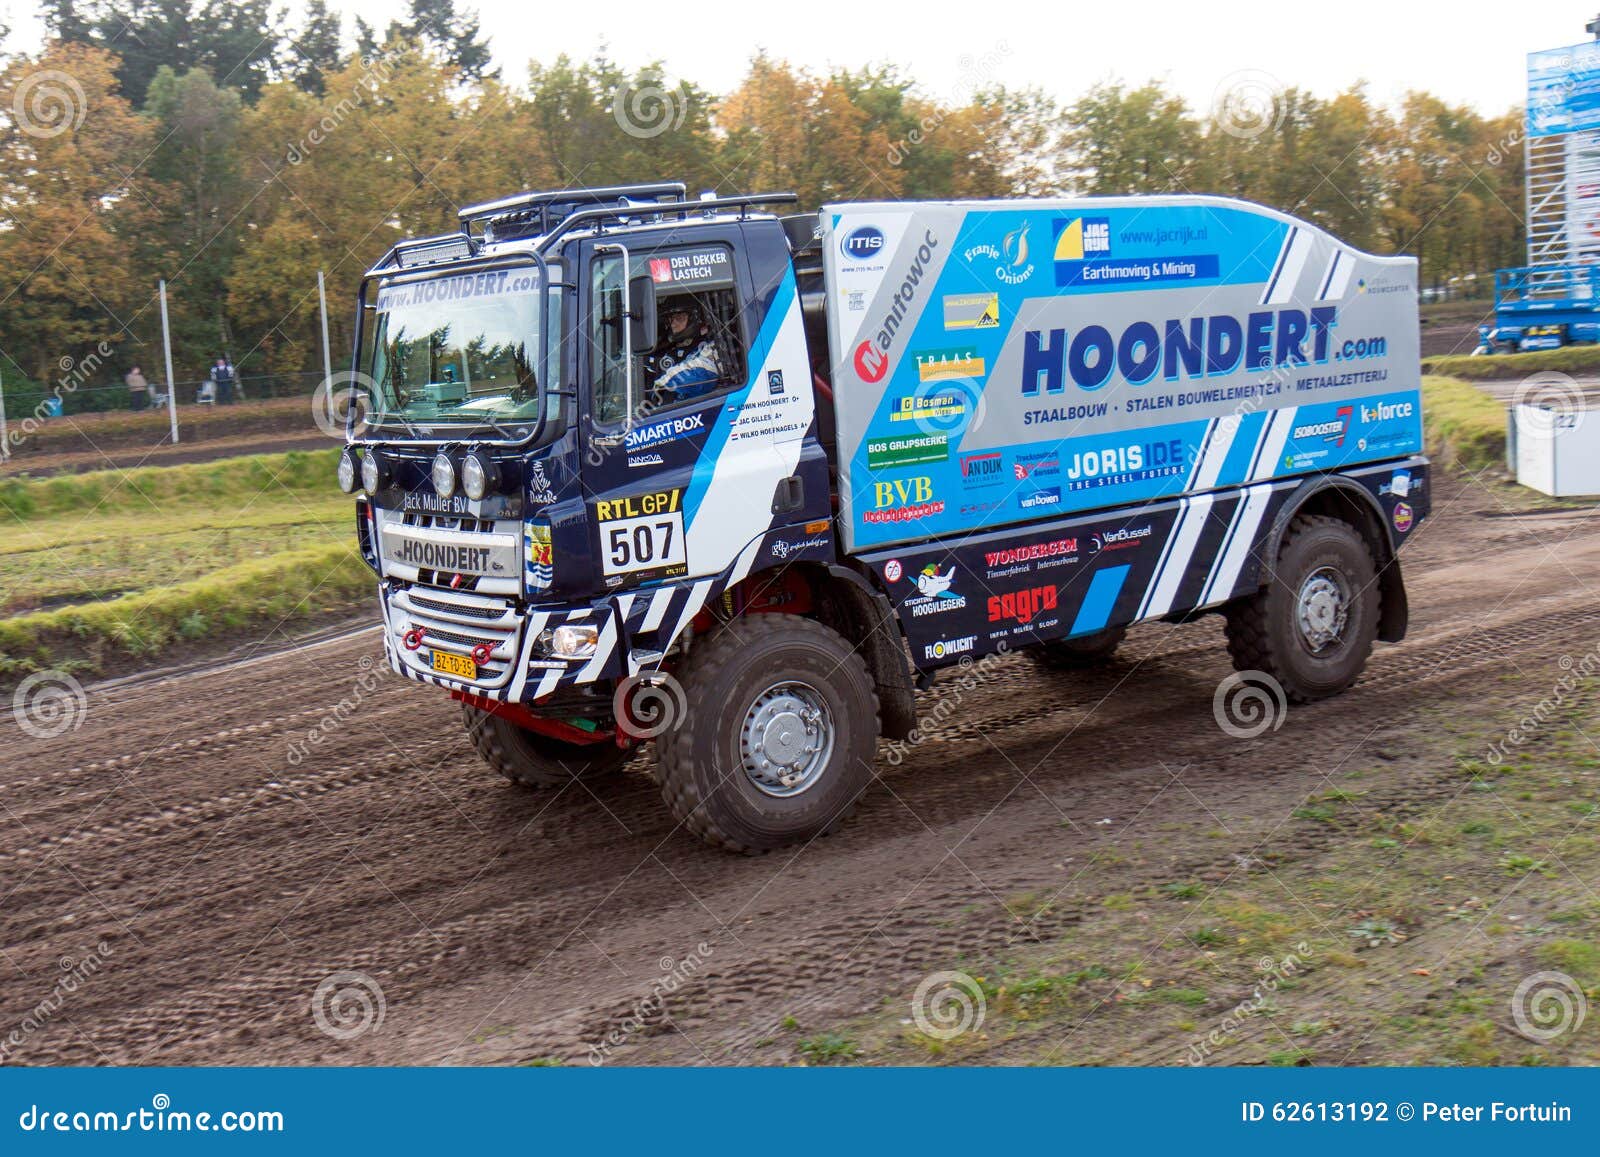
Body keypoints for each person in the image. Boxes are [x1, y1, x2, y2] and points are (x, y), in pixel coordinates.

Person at [648, 298, 722, 402]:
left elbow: (702, 373)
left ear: (696, 318)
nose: (673, 324)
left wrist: (661, 384)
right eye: (671, 319)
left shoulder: (711, 346)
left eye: (679, 318)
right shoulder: (673, 345)